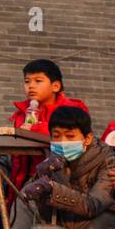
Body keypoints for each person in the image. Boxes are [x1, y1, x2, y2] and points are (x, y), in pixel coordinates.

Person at [8, 59, 88, 189]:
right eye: (27, 81)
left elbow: (69, 135)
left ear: (55, 86)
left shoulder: (73, 109)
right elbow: (18, 160)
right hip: (28, 179)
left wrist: (33, 128)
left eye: (38, 81)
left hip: (66, 180)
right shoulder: (21, 114)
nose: (31, 86)